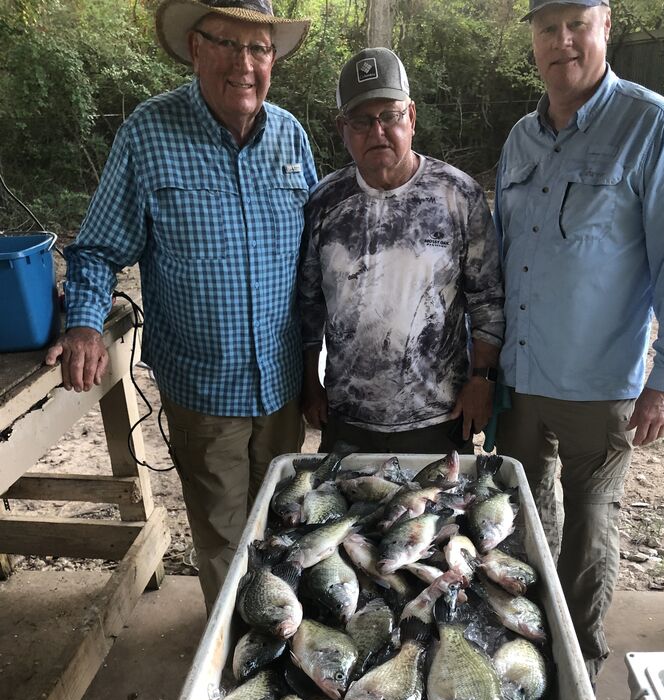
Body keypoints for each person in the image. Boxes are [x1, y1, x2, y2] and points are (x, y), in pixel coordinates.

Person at [45, 0, 317, 614]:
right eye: (229, 45)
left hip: (282, 385)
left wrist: (317, 366)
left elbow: (314, 267)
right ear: (196, 47)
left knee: (284, 527)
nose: (246, 65)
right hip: (203, 389)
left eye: (261, 49)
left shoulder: (291, 136)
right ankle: (229, 670)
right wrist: (86, 322)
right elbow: (96, 249)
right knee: (223, 537)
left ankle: (281, 650)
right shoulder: (149, 132)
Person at [494, 0, 664, 683]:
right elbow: (499, 256)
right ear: (531, 39)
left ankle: (577, 666)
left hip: (600, 384)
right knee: (521, 516)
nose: (561, 42)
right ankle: (522, 644)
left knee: (587, 529)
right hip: (518, 377)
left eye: (575, 25)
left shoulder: (650, 127)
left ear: (604, 27)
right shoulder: (519, 140)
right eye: (546, 28)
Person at [299, 47, 504, 455]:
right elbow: (308, 305)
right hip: (348, 419)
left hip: (439, 417)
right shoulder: (324, 202)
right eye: (361, 120)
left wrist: (482, 379)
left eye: (389, 115)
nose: (377, 132)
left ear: (410, 116)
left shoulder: (458, 195)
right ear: (343, 129)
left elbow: (488, 300)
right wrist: (309, 381)